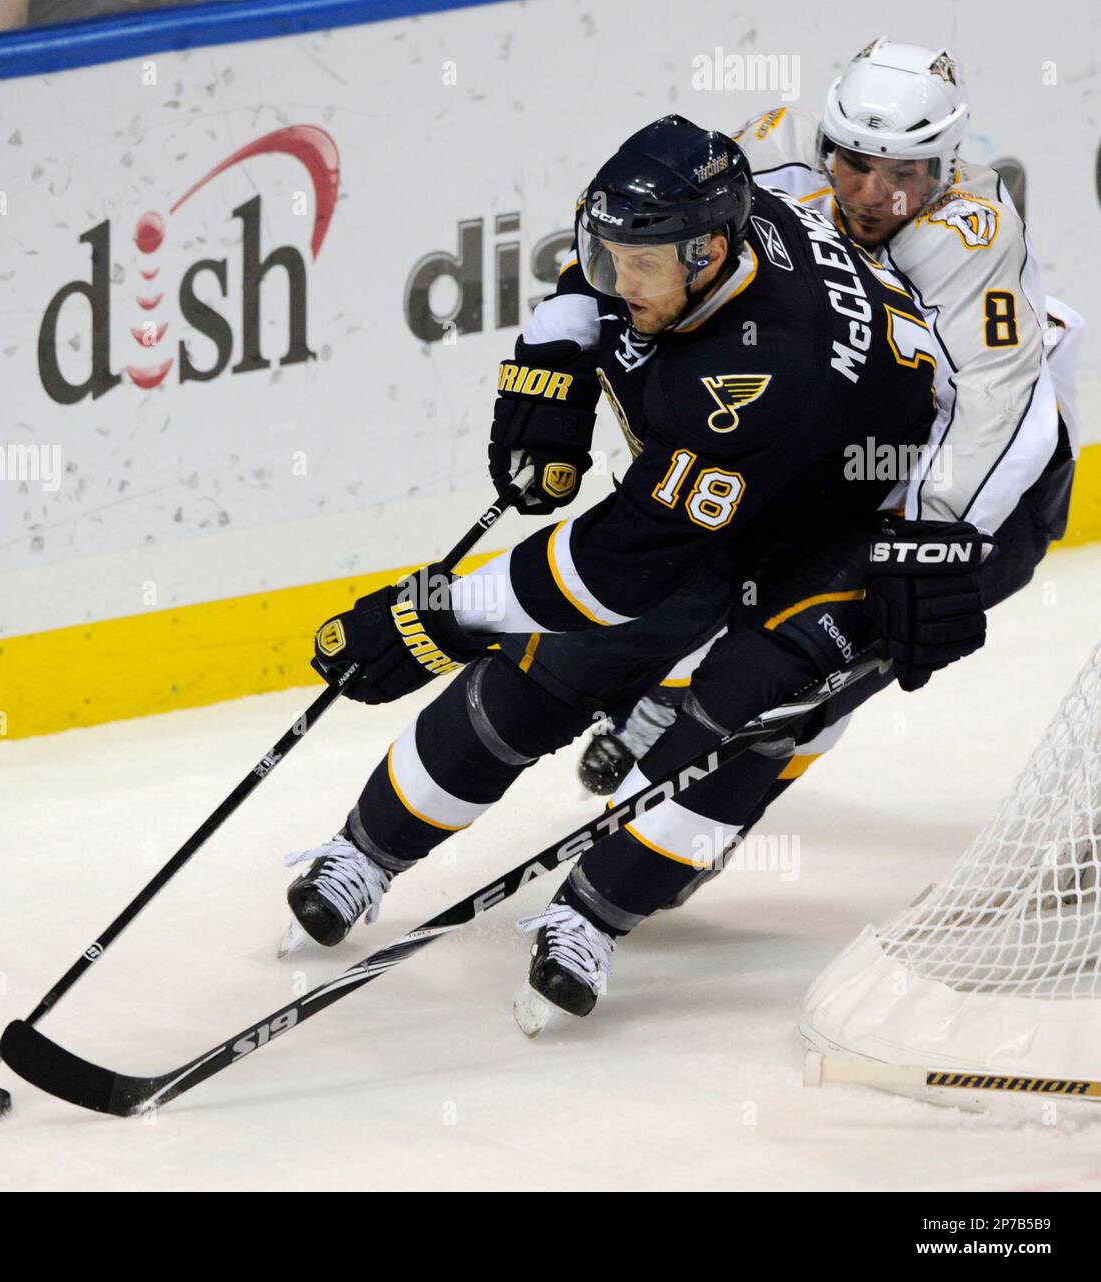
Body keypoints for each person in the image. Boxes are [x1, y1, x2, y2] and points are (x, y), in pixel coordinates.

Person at [278, 113, 943, 1033]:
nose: (613, 279)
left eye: (639, 265)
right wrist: (552, 360)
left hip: (845, 529)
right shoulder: (682, 250)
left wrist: (433, 613)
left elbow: (610, 572)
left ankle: (589, 917)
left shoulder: (762, 380)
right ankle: (365, 854)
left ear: (710, 255)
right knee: (546, 677)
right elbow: (596, 281)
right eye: (607, 252)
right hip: (720, 497)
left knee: (738, 723)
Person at [579, 38, 1082, 799]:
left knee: (828, 649)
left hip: (988, 494)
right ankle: (664, 697)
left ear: (945, 165)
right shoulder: (775, 149)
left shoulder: (972, 232)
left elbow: (1002, 408)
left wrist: (932, 536)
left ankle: (699, 824)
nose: (875, 194)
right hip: (848, 450)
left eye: (904, 173)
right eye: (855, 163)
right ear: (825, 145)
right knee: (729, 559)